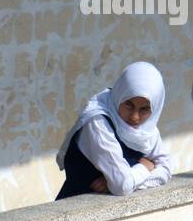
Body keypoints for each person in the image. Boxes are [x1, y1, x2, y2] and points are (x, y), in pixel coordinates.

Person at [55, 60, 172, 200]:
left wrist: (118, 182)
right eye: (128, 105)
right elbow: (122, 185)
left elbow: (166, 169)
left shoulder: (147, 129)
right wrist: (145, 167)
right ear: (120, 94)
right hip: (75, 213)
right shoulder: (97, 120)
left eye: (144, 109)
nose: (135, 117)